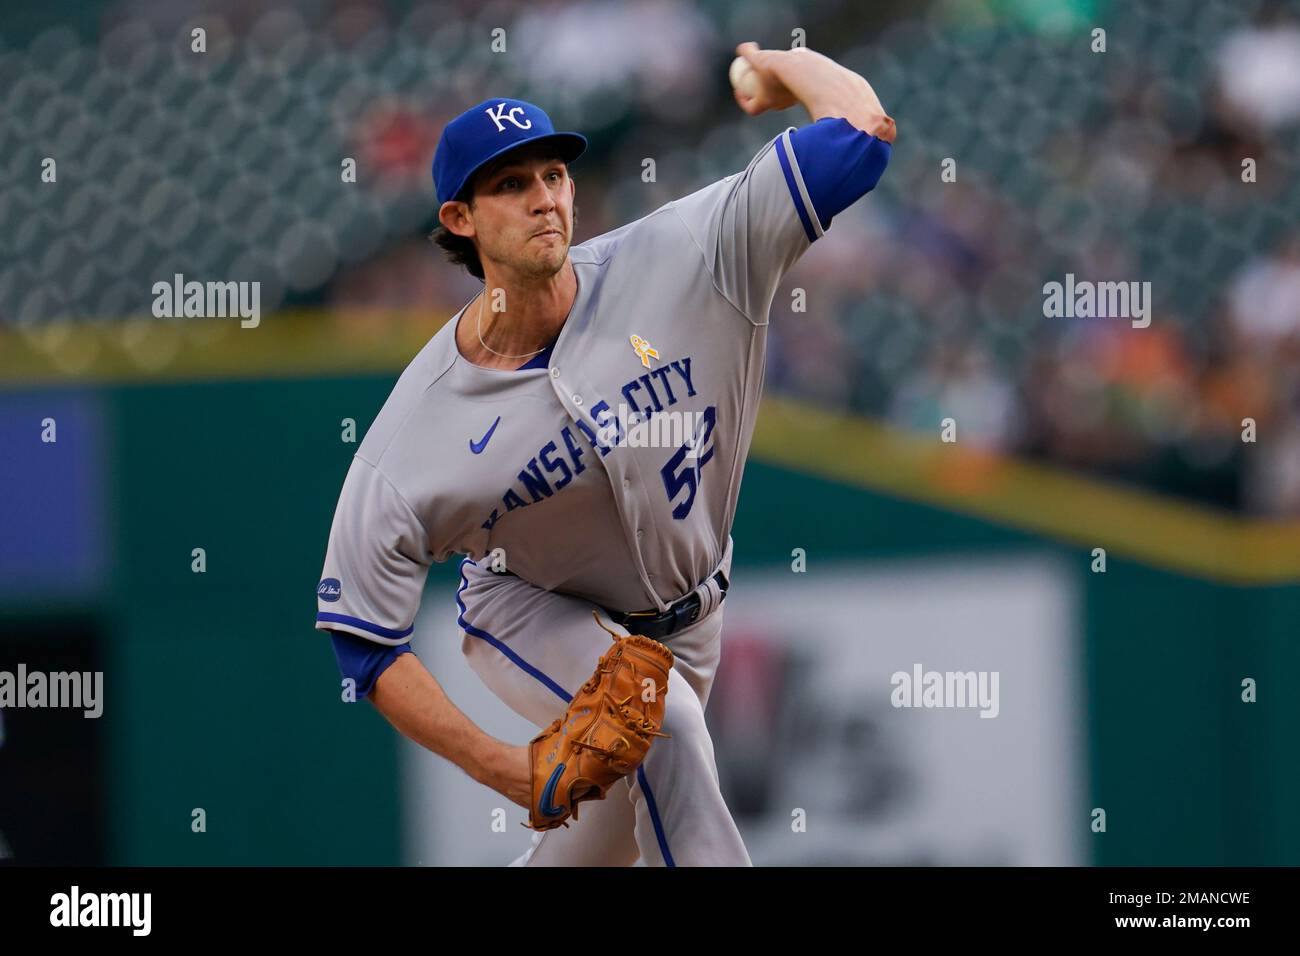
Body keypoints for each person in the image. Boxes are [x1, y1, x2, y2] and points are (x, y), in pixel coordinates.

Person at [315, 42, 895, 865]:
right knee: (671, 726)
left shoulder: (689, 254)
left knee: (597, 850)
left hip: (696, 609)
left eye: (553, 175)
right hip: (528, 609)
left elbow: (862, 132)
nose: (542, 199)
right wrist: (505, 769)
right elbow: (363, 640)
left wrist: (776, 64)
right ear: (459, 219)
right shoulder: (418, 424)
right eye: (510, 185)